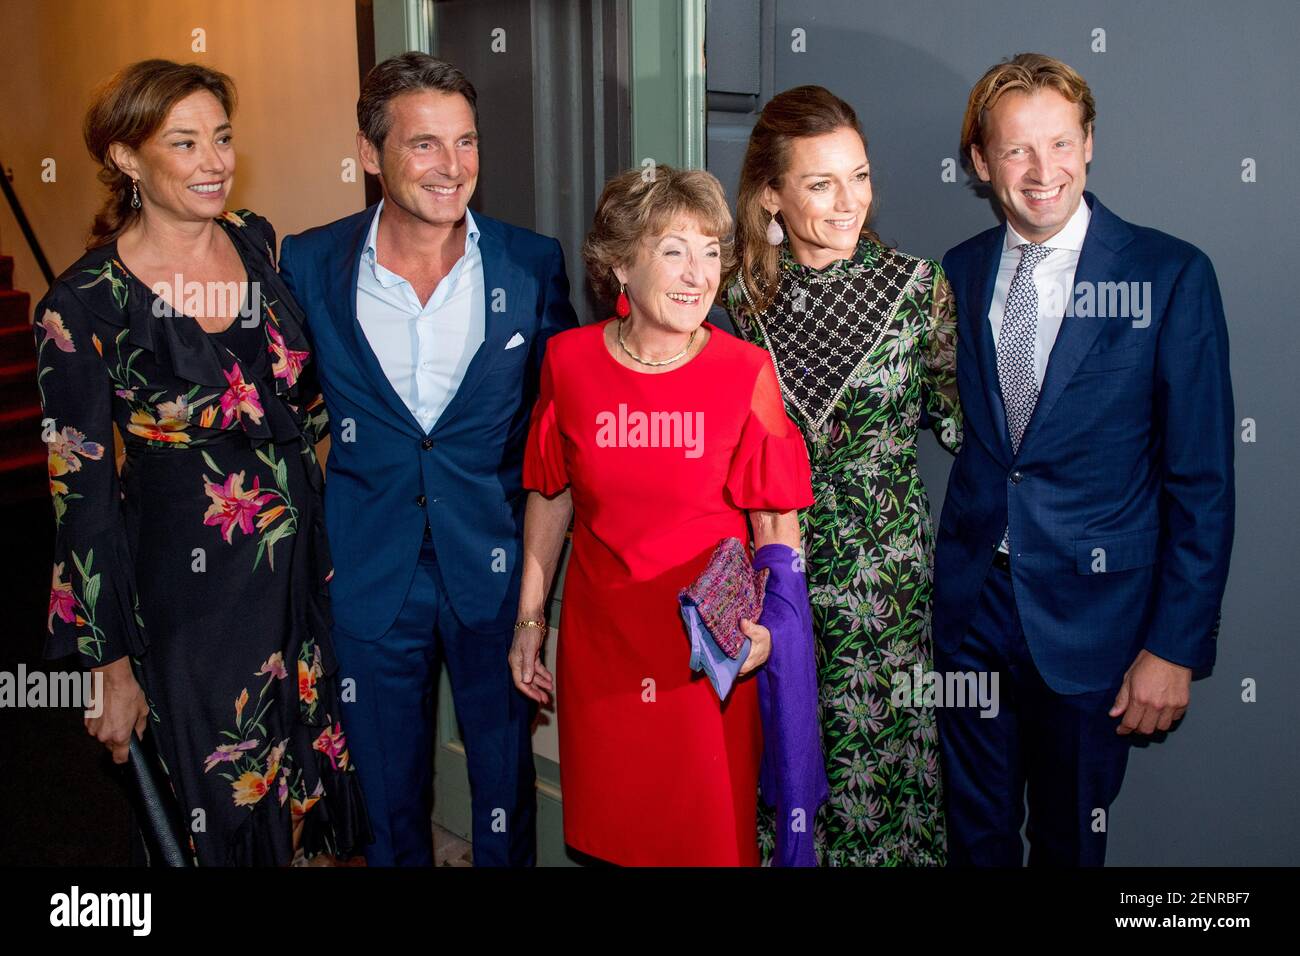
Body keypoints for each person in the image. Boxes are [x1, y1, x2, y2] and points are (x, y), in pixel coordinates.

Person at [35, 59, 369, 865]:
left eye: (221, 137)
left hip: (301, 584)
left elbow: (308, 401)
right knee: (220, 813)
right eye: (185, 143)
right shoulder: (80, 308)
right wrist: (109, 667)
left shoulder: (256, 241)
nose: (214, 161)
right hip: (195, 606)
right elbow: (79, 503)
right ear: (125, 158)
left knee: (305, 799)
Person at [934, 53, 1234, 866]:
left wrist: (1174, 647)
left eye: (1061, 144)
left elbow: (1203, 481)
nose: (1043, 171)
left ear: (1090, 144)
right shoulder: (954, 276)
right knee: (974, 842)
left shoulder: (1169, 276)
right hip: (971, 616)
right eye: (1018, 150)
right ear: (981, 162)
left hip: (1096, 625)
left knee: (1070, 845)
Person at [278, 53, 578, 867]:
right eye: (425, 145)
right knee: (386, 806)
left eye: (467, 142)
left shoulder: (531, 263)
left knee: (505, 798)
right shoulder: (307, 264)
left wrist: (537, 592)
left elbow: (561, 431)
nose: (453, 168)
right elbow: (273, 414)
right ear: (370, 154)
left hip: (493, 570)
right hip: (369, 575)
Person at [509, 165, 816, 866]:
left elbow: (775, 523)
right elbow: (551, 492)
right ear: (619, 263)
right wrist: (531, 619)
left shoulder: (744, 373)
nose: (698, 274)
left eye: (711, 252)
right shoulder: (569, 362)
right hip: (601, 649)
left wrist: (774, 628)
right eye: (674, 250)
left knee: (707, 839)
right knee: (615, 839)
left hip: (705, 659)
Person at [725, 86, 961, 866]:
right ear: (771, 194)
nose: (847, 202)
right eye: (820, 183)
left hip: (886, 587)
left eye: (858, 177)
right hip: (773, 576)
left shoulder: (921, 291)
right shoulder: (732, 301)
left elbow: (970, 430)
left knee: (884, 771)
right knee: (783, 764)